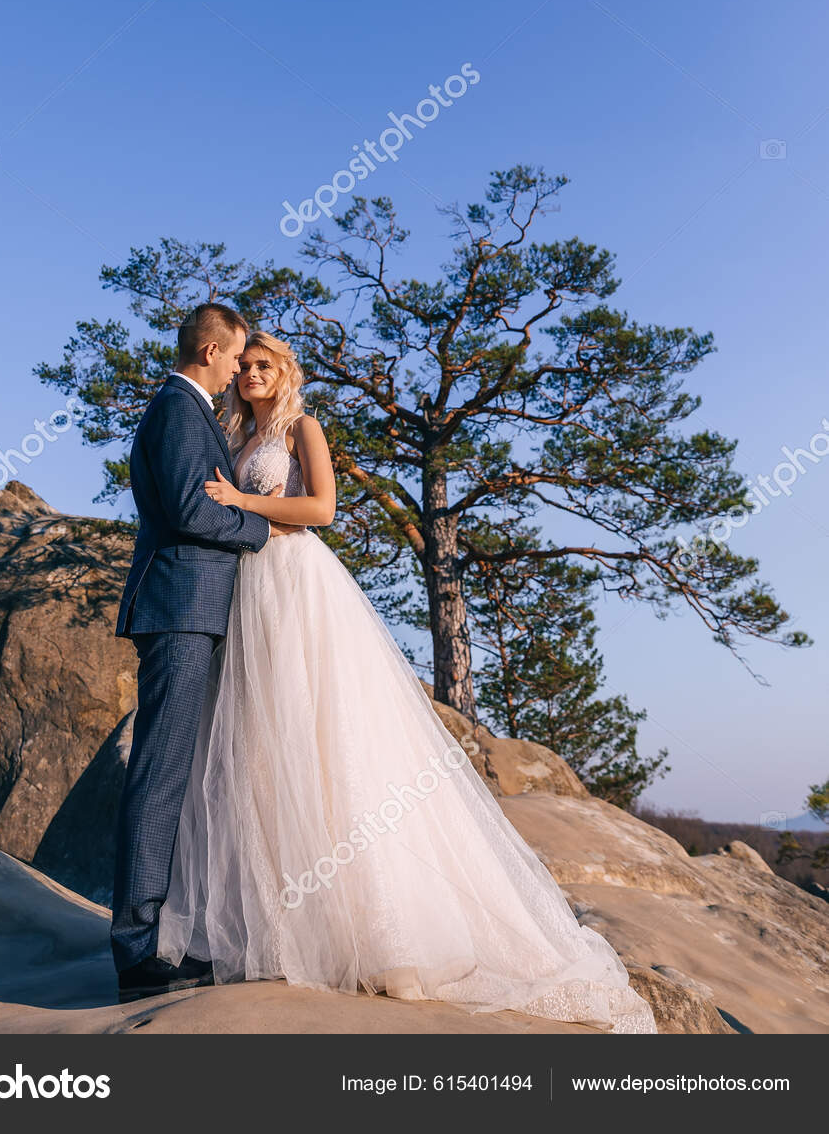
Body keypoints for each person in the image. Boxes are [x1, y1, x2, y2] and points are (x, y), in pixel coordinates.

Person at [155, 329, 656, 1033]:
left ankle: (370, 930)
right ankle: (268, 926)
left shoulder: (303, 426)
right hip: (244, 590)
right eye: (245, 366)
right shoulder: (234, 432)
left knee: (317, 740)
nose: (251, 374)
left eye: (264, 365)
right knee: (256, 756)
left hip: (293, 585)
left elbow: (322, 510)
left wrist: (242, 504)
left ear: (286, 371)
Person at [110, 303, 292, 1002]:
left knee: (182, 775)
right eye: (236, 356)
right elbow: (190, 510)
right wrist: (258, 530)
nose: (239, 369)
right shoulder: (180, 411)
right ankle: (135, 951)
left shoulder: (188, 412)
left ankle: (162, 936)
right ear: (211, 350)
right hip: (179, 609)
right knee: (159, 775)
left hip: (195, 610)